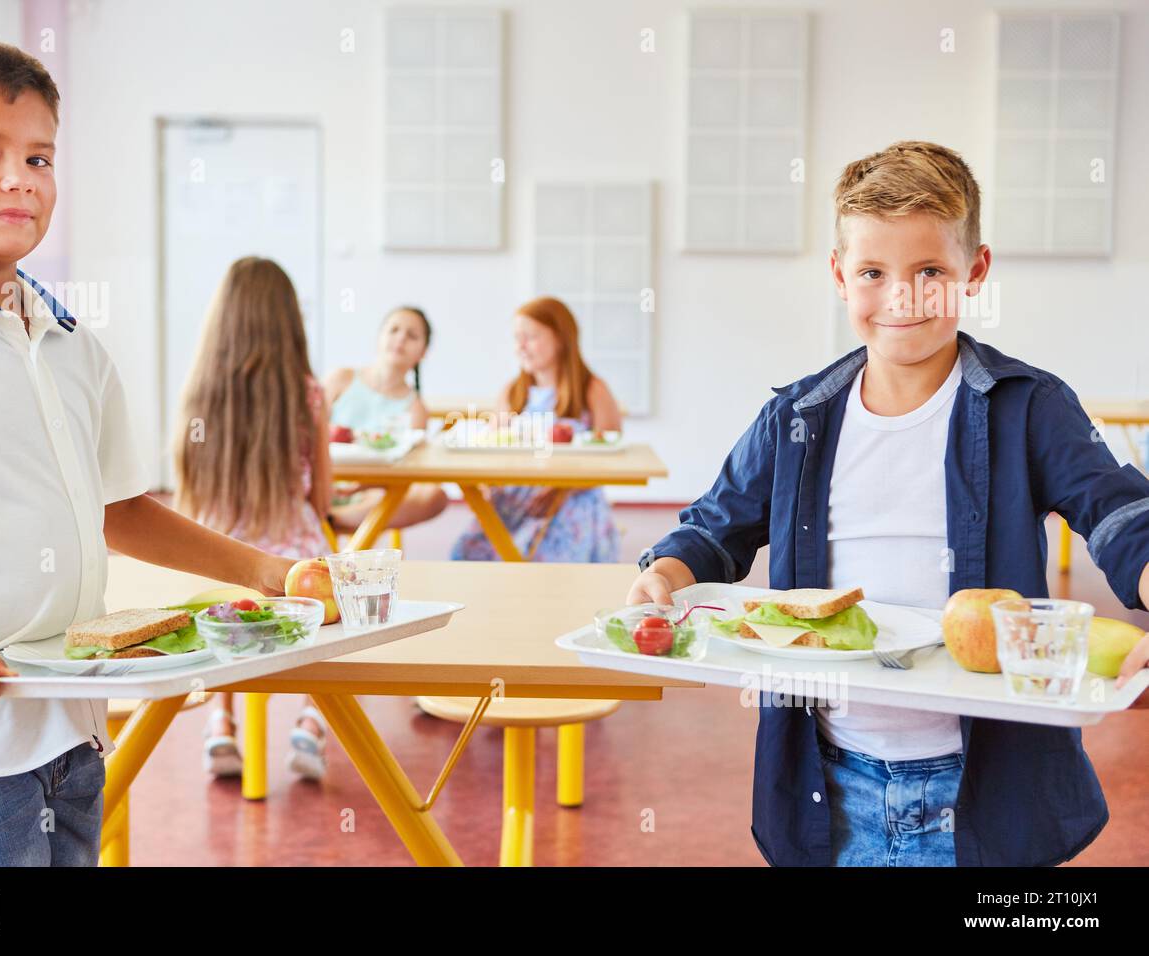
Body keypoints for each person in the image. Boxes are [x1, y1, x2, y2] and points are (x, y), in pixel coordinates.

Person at [630, 141, 1149, 866]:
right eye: (874, 272)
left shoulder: (1028, 407)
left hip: (980, 791)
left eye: (929, 271)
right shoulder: (797, 418)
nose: (901, 298)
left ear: (976, 271)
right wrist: (665, 576)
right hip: (828, 784)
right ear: (840, 276)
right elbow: (717, 524)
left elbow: (1121, 515)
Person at [0, 34, 297, 865]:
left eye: (40, 157)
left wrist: (266, 572)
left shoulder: (72, 343)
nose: (19, 177)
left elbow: (122, 510)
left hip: (72, 722)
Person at [173, 256, 333, 781]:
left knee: (224, 631)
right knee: (331, 617)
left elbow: (187, 492)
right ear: (289, 321)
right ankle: (312, 721)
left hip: (222, 555)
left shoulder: (198, 394)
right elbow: (322, 497)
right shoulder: (308, 393)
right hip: (290, 562)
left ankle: (221, 724)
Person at [451, 296, 622, 562]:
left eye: (530, 337)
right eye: (516, 338)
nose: (521, 346)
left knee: (550, 561)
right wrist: (486, 485)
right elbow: (492, 446)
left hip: (569, 498)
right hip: (513, 501)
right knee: (465, 555)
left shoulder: (593, 390)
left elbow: (610, 457)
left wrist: (559, 487)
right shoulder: (513, 392)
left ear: (561, 338)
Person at [324, 306, 447, 531]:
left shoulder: (416, 409)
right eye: (394, 330)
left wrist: (362, 486)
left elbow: (403, 470)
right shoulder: (340, 379)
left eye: (412, 336)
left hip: (369, 495)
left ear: (423, 352)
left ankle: (333, 519)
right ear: (379, 337)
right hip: (321, 480)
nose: (400, 338)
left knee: (434, 495)